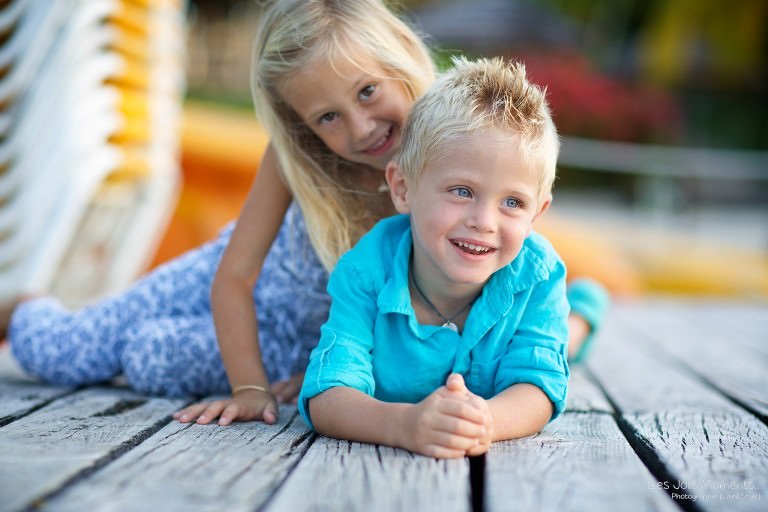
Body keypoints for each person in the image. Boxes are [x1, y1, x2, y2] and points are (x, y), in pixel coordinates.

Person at [1, 0, 607, 427]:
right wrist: (247, 389)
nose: (361, 127)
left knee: (146, 356)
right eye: (327, 117)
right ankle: (24, 306)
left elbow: (503, 236)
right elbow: (234, 276)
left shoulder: (454, 141)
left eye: (368, 91)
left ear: (397, 55)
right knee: (67, 354)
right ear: (302, 123)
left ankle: (576, 317)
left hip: (310, 340)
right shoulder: (297, 157)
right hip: (242, 293)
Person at [299, 56, 568, 458]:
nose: (484, 222)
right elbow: (328, 392)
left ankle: (584, 311)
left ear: (537, 214)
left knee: (568, 339)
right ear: (403, 189)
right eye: (462, 191)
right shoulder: (366, 271)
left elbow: (539, 383)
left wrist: (483, 421)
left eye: (512, 202)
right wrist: (404, 426)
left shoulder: (538, 275)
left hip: (537, 325)